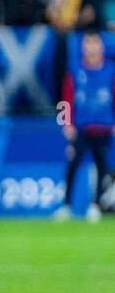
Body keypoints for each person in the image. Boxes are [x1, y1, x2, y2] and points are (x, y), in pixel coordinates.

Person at [56, 31, 113, 222]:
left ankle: (96, 205)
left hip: (103, 127)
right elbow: (65, 98)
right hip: (79, 127)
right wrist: (66, 123)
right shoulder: (74, 69)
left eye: (95, 42)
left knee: (101, 167)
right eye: (88, 42)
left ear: (101, 46)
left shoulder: (111, 70)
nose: (91, 46)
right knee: (72, 165)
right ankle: (66, 206)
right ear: (83, 46)